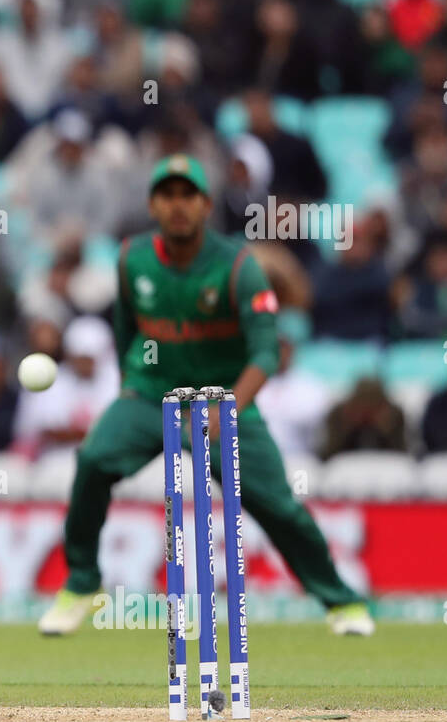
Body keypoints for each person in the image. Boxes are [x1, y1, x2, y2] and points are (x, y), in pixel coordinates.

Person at [37, 154, 375, 638]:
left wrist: (230, 406)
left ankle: (341, 602)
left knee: (279, 507)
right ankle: (82, 583)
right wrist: (131, 385)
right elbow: (126, 333)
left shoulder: (239, 267)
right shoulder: (132, 259)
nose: (177, 206)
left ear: (205, 204)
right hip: (151, 397)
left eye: (187, 196)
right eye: (167, 196)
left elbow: (265, 354)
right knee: (92, 460)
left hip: (225, 401)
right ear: (152, 205)